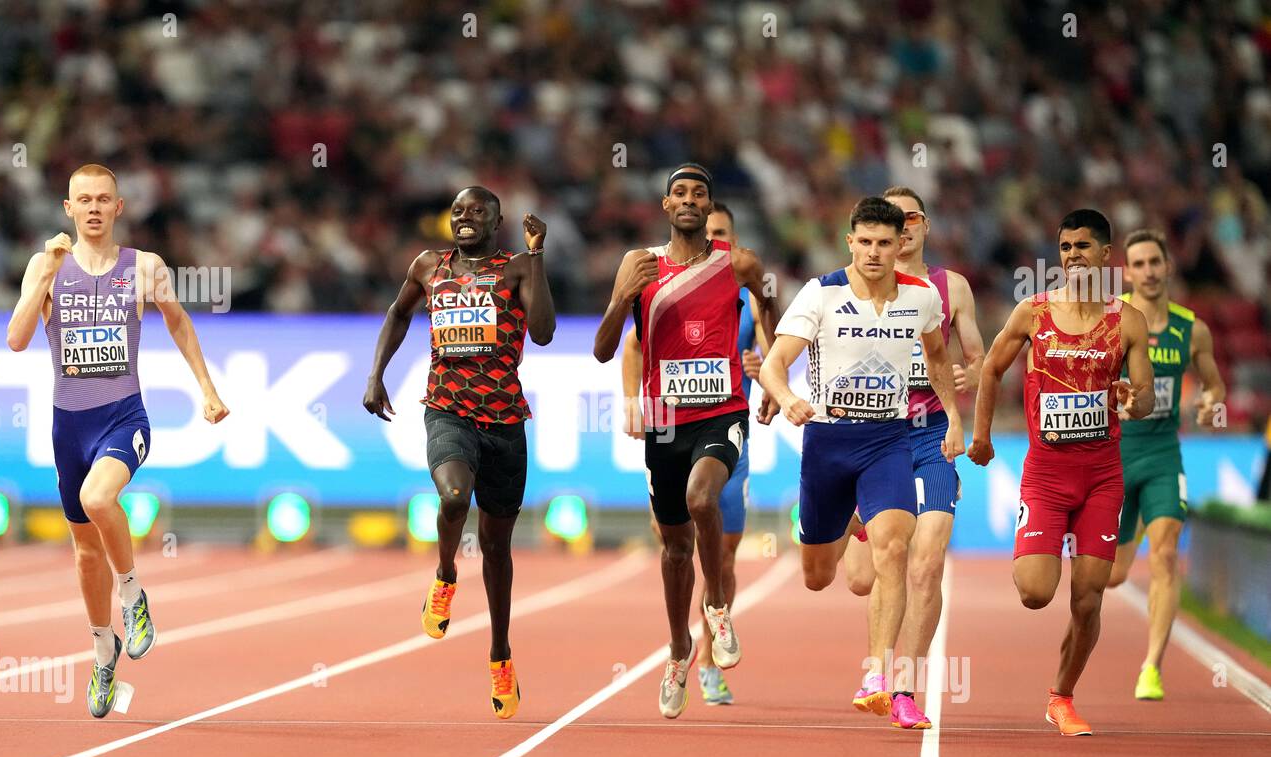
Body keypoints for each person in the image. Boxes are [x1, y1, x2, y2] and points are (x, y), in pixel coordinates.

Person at [6, 163, 229, 719]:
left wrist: (206, 388)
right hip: (68, 426)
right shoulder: (46, 264)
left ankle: (133, 594)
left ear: (120, 207)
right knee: (84, 553)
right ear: (69, 209)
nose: (95, 208)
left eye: (104, 199)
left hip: (123, 416)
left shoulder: (144, 267)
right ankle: (103, 648)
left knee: (98, 499)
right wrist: (45, 275)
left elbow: (178, 321)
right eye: (84, 200)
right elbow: (15, 339)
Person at [758, 196, 964, 725]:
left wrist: (956, 420)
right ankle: (847, 520)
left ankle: (877, 674)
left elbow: (939, 358)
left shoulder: (921, 297)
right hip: (827, 443)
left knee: (895, 550)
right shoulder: (820, 294)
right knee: (818, 575)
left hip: (888, 441)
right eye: (864, 242)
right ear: (850, 241)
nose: (874, 252)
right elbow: (774, 364)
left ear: (900, 246)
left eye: (884, 243)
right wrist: (786, 398)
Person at [594, 164, 778, 719]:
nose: (691, 200)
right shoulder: (639, 264)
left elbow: (770, 310)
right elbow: (606, 349)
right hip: (664, 423)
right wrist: (621, 297)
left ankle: (717, 606)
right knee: (674, 549)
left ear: (710, 205)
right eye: (681, 193)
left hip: (722, 414)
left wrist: (769, 369)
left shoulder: (739, 264)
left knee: (704, 499)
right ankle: (678, 651)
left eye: (701, 192)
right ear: (666, 204)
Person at [363, 187, 555, 720]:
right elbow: (398, 315)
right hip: (448, 409)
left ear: (497, 221)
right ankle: (446, 573)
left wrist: (536, 257)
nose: (464, 218)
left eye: (477, 211)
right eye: (457, 211)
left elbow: (542, 332)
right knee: (453, 495)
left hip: (506, 423)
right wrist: (377, 374)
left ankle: (500, 654)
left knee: (497, 549)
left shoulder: (516, 267)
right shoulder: (429, 266)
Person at [968, 209, 1154, 736]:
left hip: (1101, 476)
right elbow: (990, 369)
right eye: (1065, 246)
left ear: (1105, 256)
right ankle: (1038, 546)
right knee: (1034, 593)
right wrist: (981, 436)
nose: (1072, 255)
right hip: (1046, 478)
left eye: (1083, 246)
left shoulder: (1128, 321)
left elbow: (1145, 400)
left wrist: (1130, 399)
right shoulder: (1032, 312)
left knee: (1089, 595)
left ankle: (1062, 696)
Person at [832, 186, 985, 729]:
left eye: (911, 218)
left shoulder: (952, 288)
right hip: (872, 435)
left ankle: (902, 684)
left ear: (919, 228)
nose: (902, 228)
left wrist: (970, 374)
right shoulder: (847, 287)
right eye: (891, 220)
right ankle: (855, 522)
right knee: (861, 579)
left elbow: (978, 358)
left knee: (928, 561)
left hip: (931, 437)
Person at [1106, 229, 1226, 700]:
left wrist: (1208, 402)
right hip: (1115, 455)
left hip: (1161, 455)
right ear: (1128, 272)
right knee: (1112, 575)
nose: (1149, 271)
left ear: (1168, 267)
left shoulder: (1191, 329)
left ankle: (1151, 667)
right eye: (1139, 264)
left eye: (1155, 262)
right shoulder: (1113, 320)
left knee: (1167, 553)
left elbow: (1214, 384)